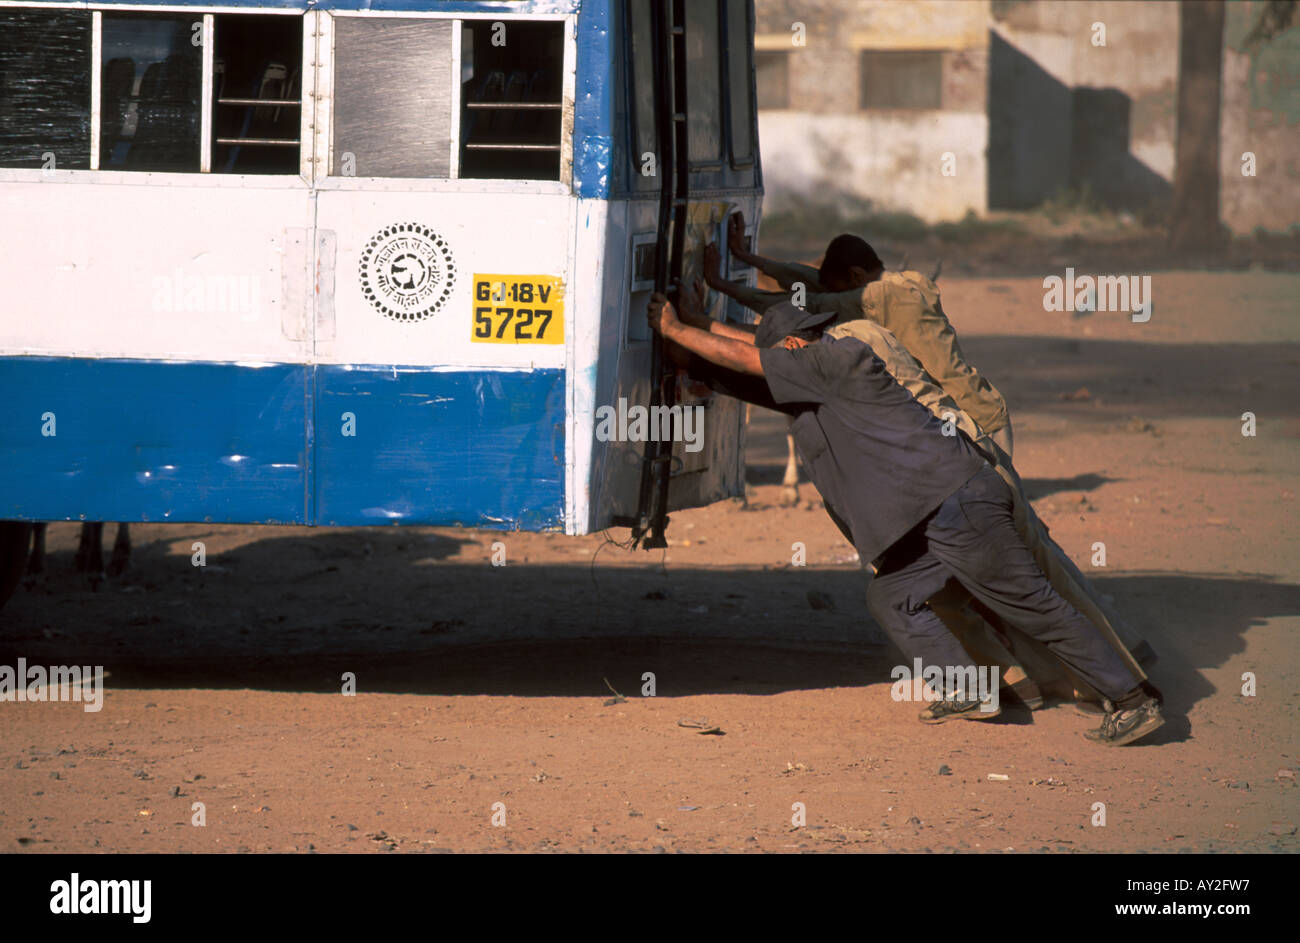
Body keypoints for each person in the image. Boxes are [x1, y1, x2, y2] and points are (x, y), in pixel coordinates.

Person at [647, 287, 1165, 746]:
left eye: (780, 351)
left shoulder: (838, 361)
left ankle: (1132, 700)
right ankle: (972, 691)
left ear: (796, 347)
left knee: (1036, 607)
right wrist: (695, 323)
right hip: (931, 518)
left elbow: (749, 361)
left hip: (958, 506)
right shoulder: (820, 381)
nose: (778, 360)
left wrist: (674, 327)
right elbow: (748, 370)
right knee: (893, 595)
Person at [705, 212, 1013, 456]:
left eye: (841, 291)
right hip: (984, 410)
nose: (839, 298)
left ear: (855, 276)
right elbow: (812, 280)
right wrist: (749, 259)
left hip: (972, 426)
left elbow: (806, 302)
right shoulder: (910, 282)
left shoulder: (877, 298)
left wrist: (723, 286)